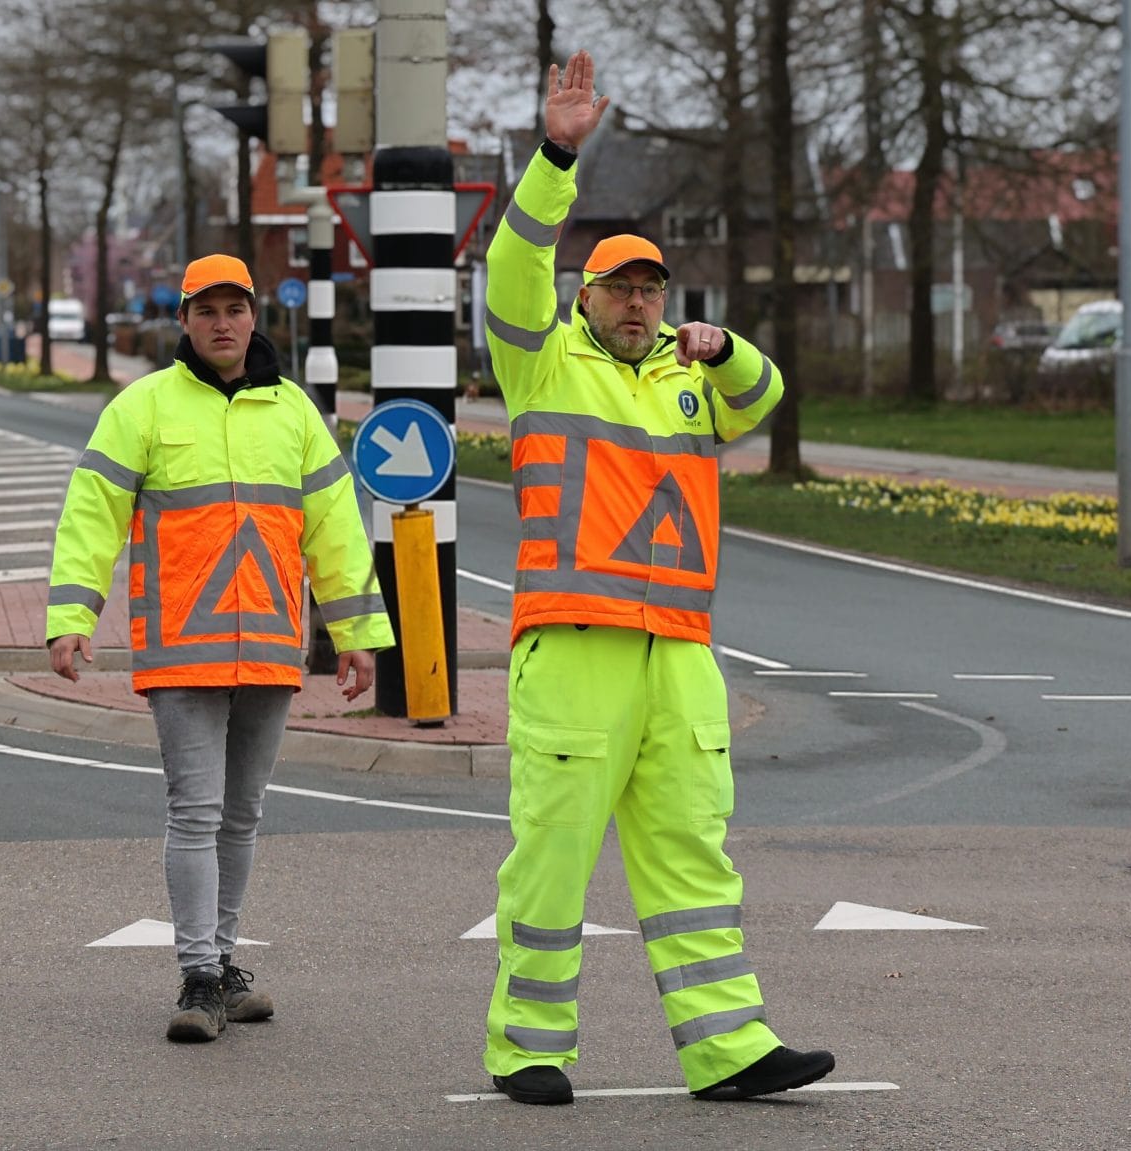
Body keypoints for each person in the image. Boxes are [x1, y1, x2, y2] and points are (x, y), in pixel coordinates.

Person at [479, 51, 836, 1104]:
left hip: (676, 651)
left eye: (648, 290)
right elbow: (510, 263)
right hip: (576, 642)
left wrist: (719, 348)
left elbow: (761, 392)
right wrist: (556, 155)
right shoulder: (540, 362)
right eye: (617, 288)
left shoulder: (694, 382)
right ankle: (526, 1045)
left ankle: (725, 1047)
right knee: (549, 859)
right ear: (582, 295)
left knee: (692, 855)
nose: (635, 304)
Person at [47, 253, 395, 1043]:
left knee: (242, 814)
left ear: (253, 315)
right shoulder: (144, 407)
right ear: (185, 320)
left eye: (235, 308)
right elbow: (91, 512)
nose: (223, 322)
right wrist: (72, 611)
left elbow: (335, 528)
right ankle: (199, 975)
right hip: (182, 646)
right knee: (196, 810)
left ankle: (225, 965)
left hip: (271, 643)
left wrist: (358, 632)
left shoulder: (295, 413)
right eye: (207, 310)